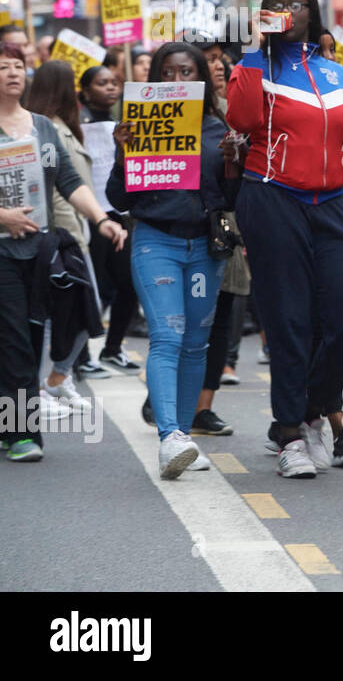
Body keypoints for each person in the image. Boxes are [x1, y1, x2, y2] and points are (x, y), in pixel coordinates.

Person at [226, 0, 343, 479]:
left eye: (296, 3)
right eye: (276, 4)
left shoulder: (336, 73)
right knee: (288, 320)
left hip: (333, 204)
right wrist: (256, 48)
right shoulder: (254, 66)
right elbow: (243, 118)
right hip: (272, 198)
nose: (287, 9)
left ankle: (311, 406)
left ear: (312, 13)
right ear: (265, 13)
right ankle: (291, 433)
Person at [107, 42, 239, 477]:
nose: (178, 82)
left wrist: (233, 165)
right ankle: (169, 437)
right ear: (155, 80)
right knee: (167, 336)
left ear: (200, 79)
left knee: (196, 342)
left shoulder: (219, 132)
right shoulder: (137, 128)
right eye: (169, 73)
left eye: (186, 73)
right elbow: (118, 198)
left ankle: (182, 438)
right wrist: (123, 152)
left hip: (204, 248)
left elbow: (233, 200)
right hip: (155, 243)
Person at [0, 39, 127, 462]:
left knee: (32, 340)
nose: (13, 73)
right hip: (1, 253)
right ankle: (23, 435)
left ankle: (8, 424)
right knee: (16, 341)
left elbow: (69, 181)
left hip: (38, 253)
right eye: (3, 67)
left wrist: (102, 220)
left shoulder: (42, 127)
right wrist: (4, 218)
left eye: (18, 66)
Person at [23, 60, 96, 411]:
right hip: (58, 236)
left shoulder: (58, 128)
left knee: (79, 312)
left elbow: (74, 181)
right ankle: (43, 384)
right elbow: (56, 189)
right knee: (60, 313)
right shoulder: (45, 129)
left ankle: (55, 378)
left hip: (73, 234)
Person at [78, 64, 139, 375]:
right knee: (90, 290)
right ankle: (78, 355)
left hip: (118, 214)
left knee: (129, 284)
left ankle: (112, 348)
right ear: (86, 91)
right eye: (102, 83)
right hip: (89, 214)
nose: (111, 88)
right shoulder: (74, 123)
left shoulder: (125, 122)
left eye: (114, 82)